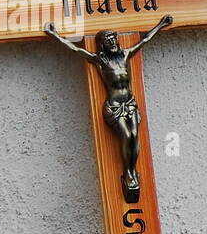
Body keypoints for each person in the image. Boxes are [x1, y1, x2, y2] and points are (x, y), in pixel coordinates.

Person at [43, 15, 173, 202]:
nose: (112, 42)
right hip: (114, 106)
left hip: (130, 103)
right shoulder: (100, 61)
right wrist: (55, 35)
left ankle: (132, 171)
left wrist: (161, 24)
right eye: (108, 40)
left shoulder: (126, 55)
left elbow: (145, 40)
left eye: (114, 39)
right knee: (126, 136)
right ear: (102, 45)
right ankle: (128, 173)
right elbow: (75, 50)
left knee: (135, 137)